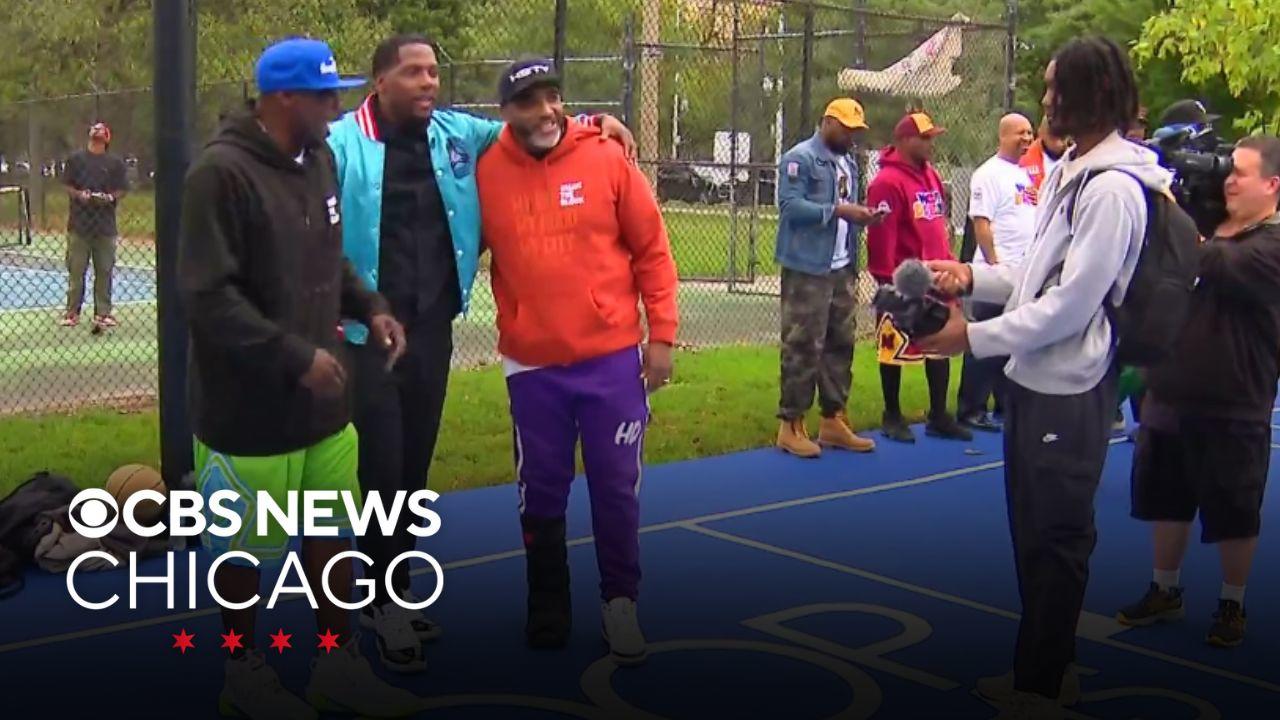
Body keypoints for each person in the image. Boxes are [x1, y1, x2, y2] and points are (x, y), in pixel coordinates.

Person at [326, 34, 635, 673]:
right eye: (413, 73)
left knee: (412, 466)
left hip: (431, 328)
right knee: (380, 465)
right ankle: (377, 601)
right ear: (379, 81)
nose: (428, 82)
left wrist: (593, 123)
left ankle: (397, 589)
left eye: (435, 71)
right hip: (364, 334)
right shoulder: (340, 144)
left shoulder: (455, 134)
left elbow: (528, 116)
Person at [918, 37, 1171, 718]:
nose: (1047, 101)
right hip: (1033, 382)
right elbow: (1036, 282)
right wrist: (974, 275)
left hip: (1071, 387)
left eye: (1059, 88)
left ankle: (1043, 685)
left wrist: (969, 335)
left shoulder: (1114, 190)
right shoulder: (1072, 170)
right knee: (1032, 536)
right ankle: (1043, 673)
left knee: (1057, 542)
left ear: (1093, 96)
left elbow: (1070, 307)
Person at [179, 38, 419, 719]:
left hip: (321, 403)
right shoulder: (218, 175)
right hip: (246, 411)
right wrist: (293, 356)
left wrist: (370, 308)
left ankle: (337, 664)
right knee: (243, 552)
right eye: (324, 95)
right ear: (283, 98)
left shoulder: (317, 160)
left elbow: (331, 259)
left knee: (328, 533)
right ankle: (241, 669)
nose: (337, 106)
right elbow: (207, 297)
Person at [475, 58, 678, 665]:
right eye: (528, 101)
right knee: (540, 490)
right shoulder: (484, 171)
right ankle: (548, 603)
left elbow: (652, 249)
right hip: (532, 365)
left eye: (553, 97)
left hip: (612, 359)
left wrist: (661, 335)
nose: (544, 111)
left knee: (617, 488)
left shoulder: (607, 158)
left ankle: (621, 601)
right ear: (504, 114)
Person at [1115, 135, 1280, 649]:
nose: (1229, 179)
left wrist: (1167, 204)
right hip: (1171, 389)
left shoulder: (1272, 244)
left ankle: (1232, 600)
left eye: (1243, 172)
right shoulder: (1210, 225)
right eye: (1228, 170)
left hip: (1234, 395)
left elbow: (1210, 263)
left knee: (1234, 506)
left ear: (1273, 185)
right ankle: (1165, 588)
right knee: (1165, 498)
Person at [772, 98, 883, 458]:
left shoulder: (848, 162)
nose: (851, 136)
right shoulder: (800, 158)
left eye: (856, 131)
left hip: (841, 265)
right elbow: (790, 206)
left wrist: (863, 216)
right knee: (804, 344)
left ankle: (833, 418)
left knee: (841, 341)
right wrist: (837, 211)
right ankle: (791, 424)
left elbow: (847, 207)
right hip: (808, 266)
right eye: (846, 129)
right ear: (827, 122)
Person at [865, 111, 970, 443]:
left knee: (939, 345)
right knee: (892, 345)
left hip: (937, 276)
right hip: (903, 280)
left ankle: (939, 414)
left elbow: (938, 225)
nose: (930, 144)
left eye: (932, 137)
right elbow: (882, 239)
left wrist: (948, 263)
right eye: (924, 138)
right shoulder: (886, 182)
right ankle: (891, 414)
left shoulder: (932, 177)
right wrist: (889, 280)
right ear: (903, 140)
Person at [955, 113, 1036, 432]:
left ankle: (1004, 404)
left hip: (1020, 273)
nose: (1027, 138)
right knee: (984, 341)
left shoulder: (1023, 175)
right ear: (1003, 136)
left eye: (1030, 132)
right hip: (994, 274)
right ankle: (971, 408)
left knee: (1012, 340)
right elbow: (981, 224)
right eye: (1021, 133)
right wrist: (994, 263)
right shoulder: (988, 174)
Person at [61, 122, 128, 329]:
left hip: (105, 226)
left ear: (106, 141)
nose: (96, 143)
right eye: (94, 139)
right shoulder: (76, 160)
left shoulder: (115, 163)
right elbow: (66, 184)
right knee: (76, 271)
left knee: (104, 270)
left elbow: (122, 189)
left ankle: (103, 313)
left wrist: (108, 197)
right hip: (79, 225)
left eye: (100, 139)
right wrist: (81, 195)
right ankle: (72, 312)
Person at [1019, 115, 1068, 193]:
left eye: (1063, 135)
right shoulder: (1024, 159)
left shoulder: (1079, 156)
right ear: (1041, 133)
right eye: (1054, 135)